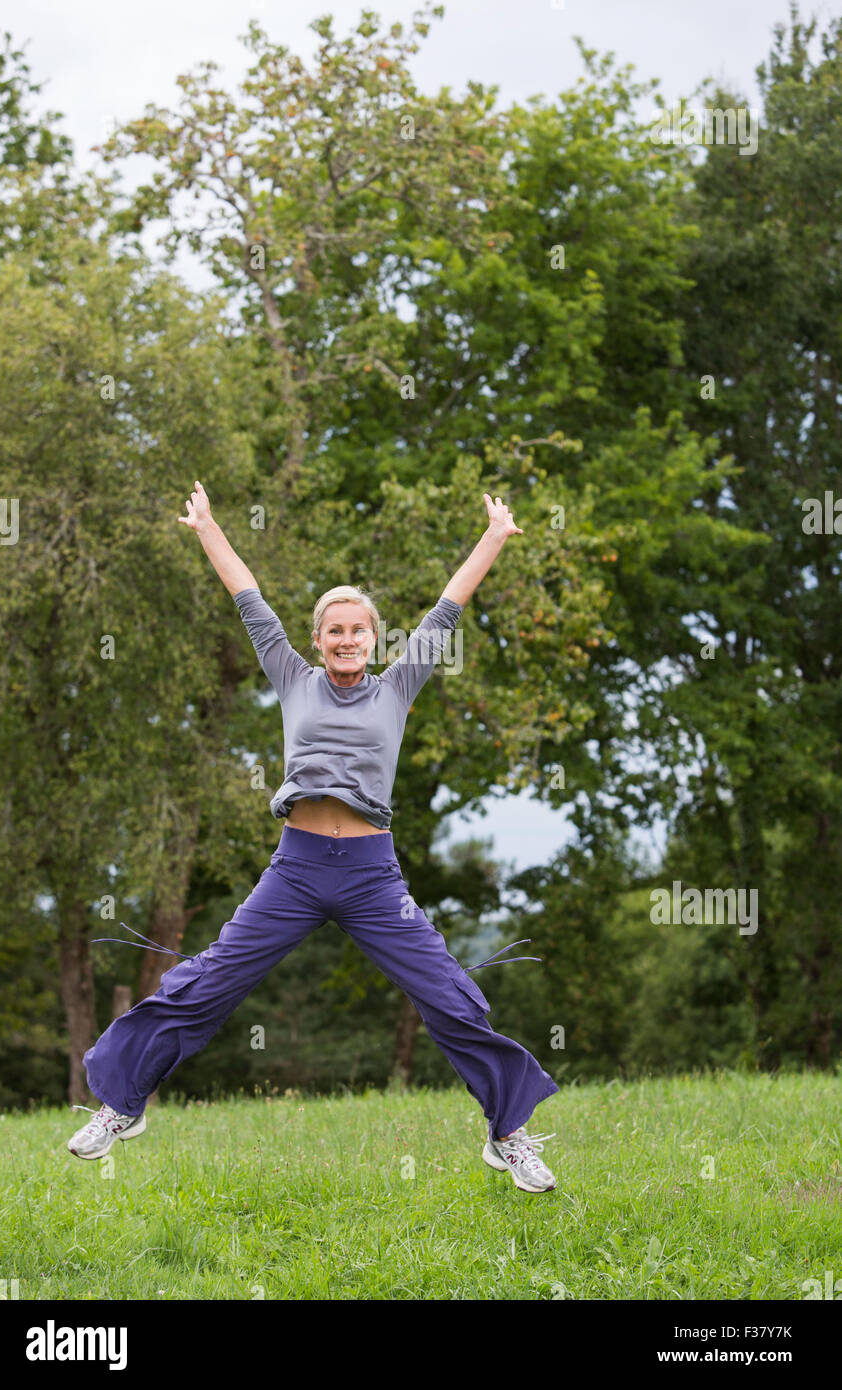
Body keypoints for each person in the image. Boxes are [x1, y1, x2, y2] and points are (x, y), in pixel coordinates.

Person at [67, 482, 559, 1194]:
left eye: (359, 630)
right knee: (206, 983)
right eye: (335, 629)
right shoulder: (292, 676)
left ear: (375, 638)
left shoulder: (399, 684)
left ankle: (507, 1135)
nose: (347, 639)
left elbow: (447, 609)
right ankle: (121, 1107)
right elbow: (248, 595)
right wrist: (207, 526)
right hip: (295, 871)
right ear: (318, 638)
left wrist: (493, 537)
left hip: (369, 875)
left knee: (450, 996)